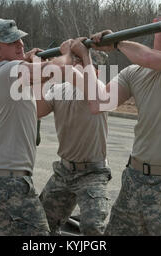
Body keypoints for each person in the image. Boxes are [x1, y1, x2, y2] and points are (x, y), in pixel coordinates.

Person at [70, 1, 161, 236]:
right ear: (154, 25)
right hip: (134, 181)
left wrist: (117, 42)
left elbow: (150, 58)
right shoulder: (134, 72)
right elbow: (99, 103)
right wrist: (85, 59)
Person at [0, 18, 74, 236]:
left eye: (20, 39)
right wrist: (68, 53)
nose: (20, 44)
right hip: (7, 185)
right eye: (11, 42)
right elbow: (55, 70)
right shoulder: (6, 71)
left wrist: (29, 61)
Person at [36, 50, 112, 235]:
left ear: (97, 73)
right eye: (77, 66)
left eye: (86, 68)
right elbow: (37, 110)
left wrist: (70, 56)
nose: (79, 71)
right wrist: (41, 76)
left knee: (93, 227)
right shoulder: (59, 90)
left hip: (92, 172)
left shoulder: (99, 90)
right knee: (41, 223)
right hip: (64, 171)